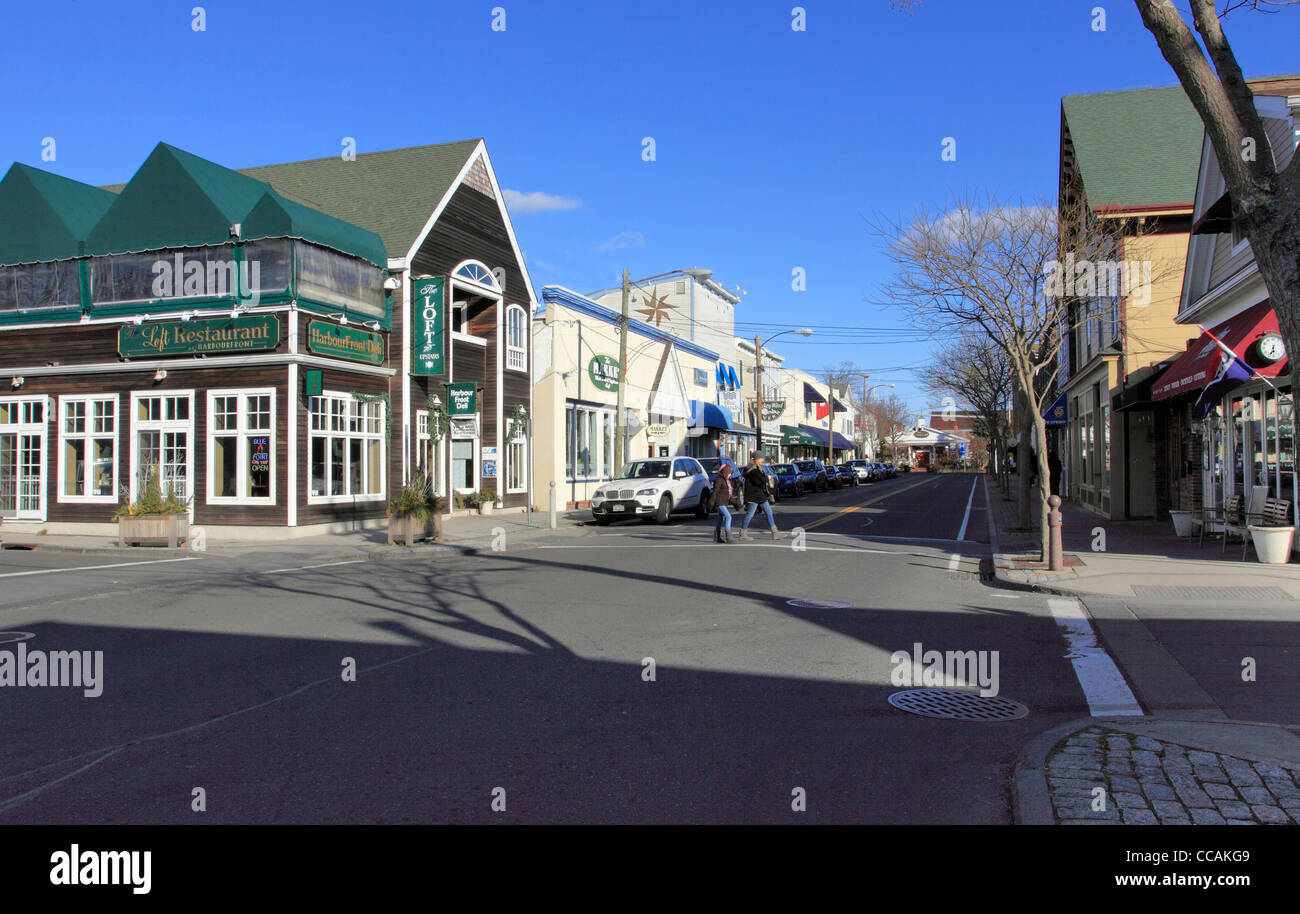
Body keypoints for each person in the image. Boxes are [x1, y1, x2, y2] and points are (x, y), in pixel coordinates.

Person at [739, 454, 786, 541]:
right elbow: (758, 481)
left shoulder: (758, 468)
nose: (762, 460)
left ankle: (775, 533)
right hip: (753, 496)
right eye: (761, 458)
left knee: (769, 512)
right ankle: (743, 533)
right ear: (756, 459)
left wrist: (766, 478)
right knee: (750, 514)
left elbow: (761, 479)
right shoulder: (752, 470)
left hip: (761, 495)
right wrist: (767, 478)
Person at [711, 460, 734, 544]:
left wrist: (735, 502)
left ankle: (717, 537)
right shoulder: (719, 480)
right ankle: (728, 537)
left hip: (723, 502)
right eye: (729, 473)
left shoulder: (726, 481)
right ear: (725, 472)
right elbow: (715, 492)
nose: (730, 475)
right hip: (720, 502)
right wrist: (712, 502)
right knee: (728, 517)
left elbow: (728, 494)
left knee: (720, 519)